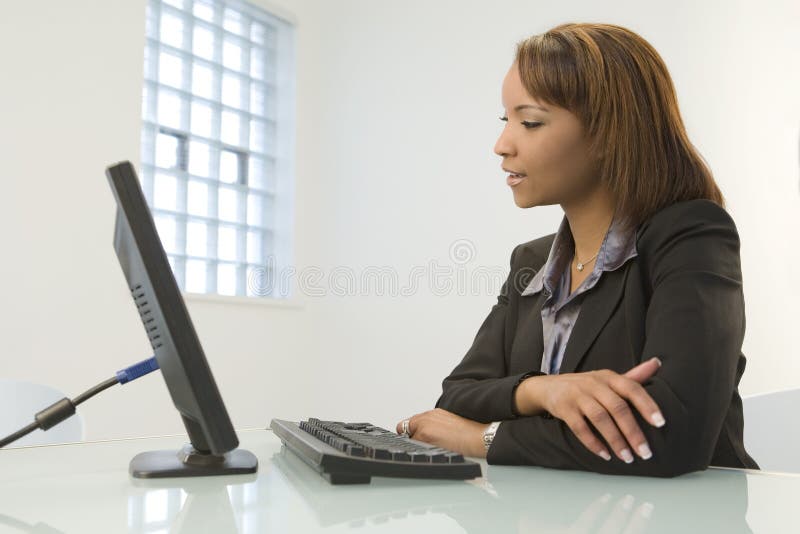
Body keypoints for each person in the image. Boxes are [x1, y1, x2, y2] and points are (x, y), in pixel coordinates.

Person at [396, 22, 759, 477]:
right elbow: (458, 394)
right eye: (506, 120)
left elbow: (671, 437)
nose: (502, 145)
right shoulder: (531, 261)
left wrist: (482, 438)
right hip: (562, 506)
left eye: (530, 122)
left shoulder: (691, 237)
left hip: (689, 508)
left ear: (608, 134)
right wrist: (543, 391)